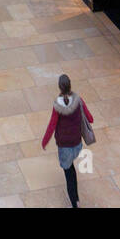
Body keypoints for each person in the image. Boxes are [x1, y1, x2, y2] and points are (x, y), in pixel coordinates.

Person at [40, 73, 94, 208]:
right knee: (71, 168)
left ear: (60, 87)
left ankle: (75, 203)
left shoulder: (57, 106)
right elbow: (90, 118)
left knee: (68, 174)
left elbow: (52, 125)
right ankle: (76, 199)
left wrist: (44, 141)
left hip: (64, 147)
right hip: (77, 144)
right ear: (70, 85)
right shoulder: (79, 100)